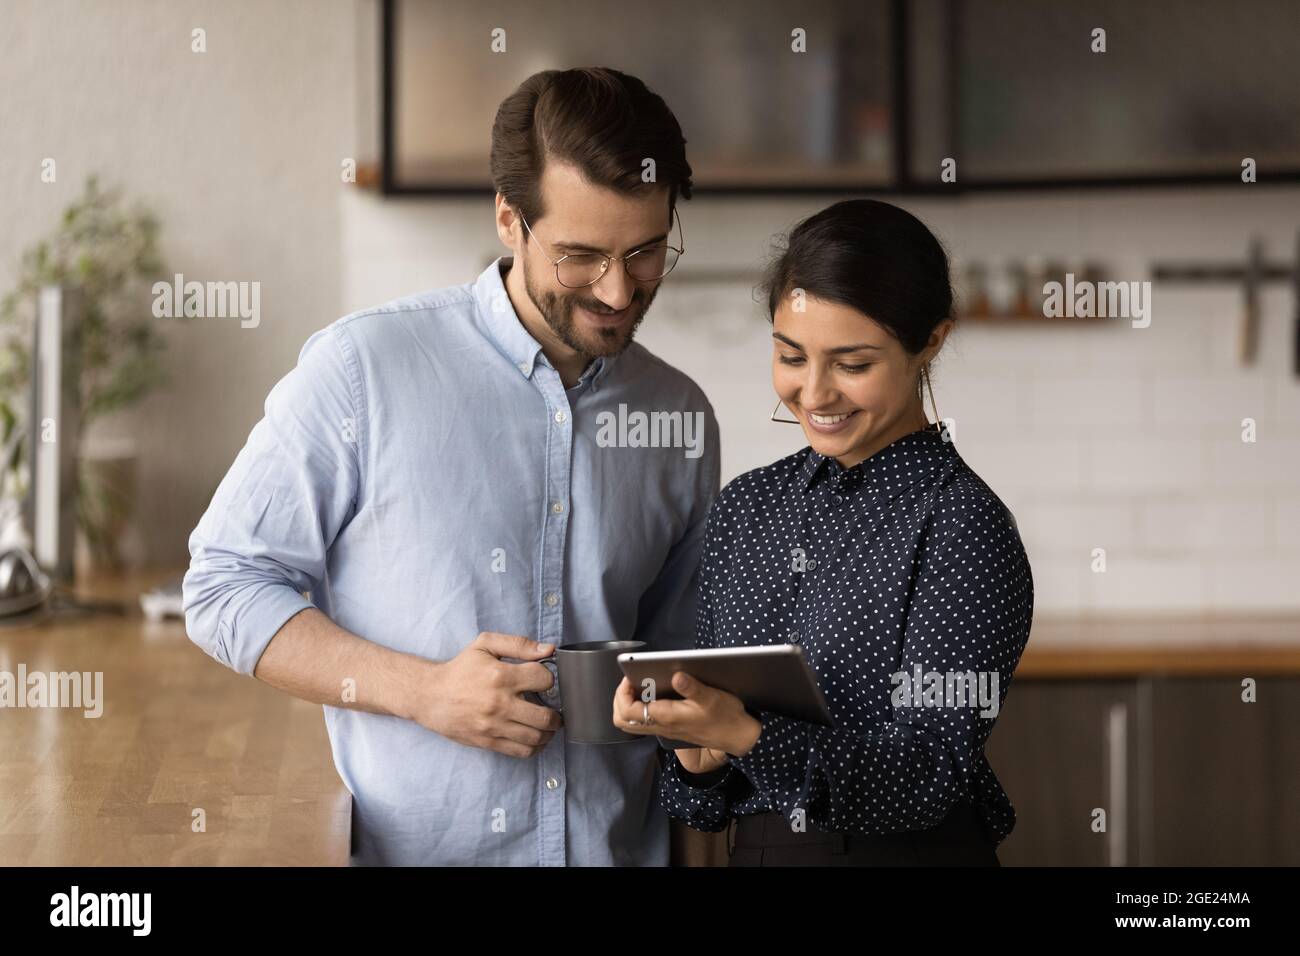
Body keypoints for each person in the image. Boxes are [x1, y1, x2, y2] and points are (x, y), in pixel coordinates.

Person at [183, 67, 719, 865]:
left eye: (644, 253)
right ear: (510, 219)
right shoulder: (362, 369)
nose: (616, 290)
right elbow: (224, 584)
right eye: (580, 256)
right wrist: (423, 691)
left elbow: (678, 660)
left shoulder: (680, 417)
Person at [613, 199, 1033, 865]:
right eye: (790, 355)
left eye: (852, 363)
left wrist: (750, 735)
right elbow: (705, 802)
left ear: (931, 341)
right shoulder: (747, 506)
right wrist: (700, 754)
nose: (813, 393)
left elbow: (927, 775)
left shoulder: (961, 525)